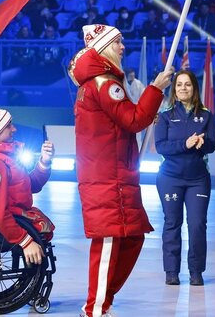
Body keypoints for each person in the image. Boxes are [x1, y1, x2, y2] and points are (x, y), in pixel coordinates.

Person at [68, 24, 173, 317]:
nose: (123, 47)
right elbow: (135, 120)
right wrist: (156, 89)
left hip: (114, 175)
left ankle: (102, 302)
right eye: (117, 43)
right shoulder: (105, 84)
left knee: (132, 237)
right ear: (102, 49)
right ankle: (95, 310)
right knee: (108, 244)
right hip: (109, 178)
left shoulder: (99, 83)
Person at [0, 106, 55, 266]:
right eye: (8, 125)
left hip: (14, 215)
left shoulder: (2, 157)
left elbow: (29, 185)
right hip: (9, 220)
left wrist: (45, 161)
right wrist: (25, 241)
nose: (14, 129)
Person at [154, 70, 215, 287]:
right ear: (174, 89)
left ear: (194, 88)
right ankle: (171, 271)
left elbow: (213, 146)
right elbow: (160, 146)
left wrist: (203, 142)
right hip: (170, 178)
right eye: (179, 84)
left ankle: (196, 271)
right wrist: (185, 144)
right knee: (172, 223)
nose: (183, 88)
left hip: (198, 179)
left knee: (197, 224)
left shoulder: (206, 114)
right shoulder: (165, 115)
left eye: (187, 84)